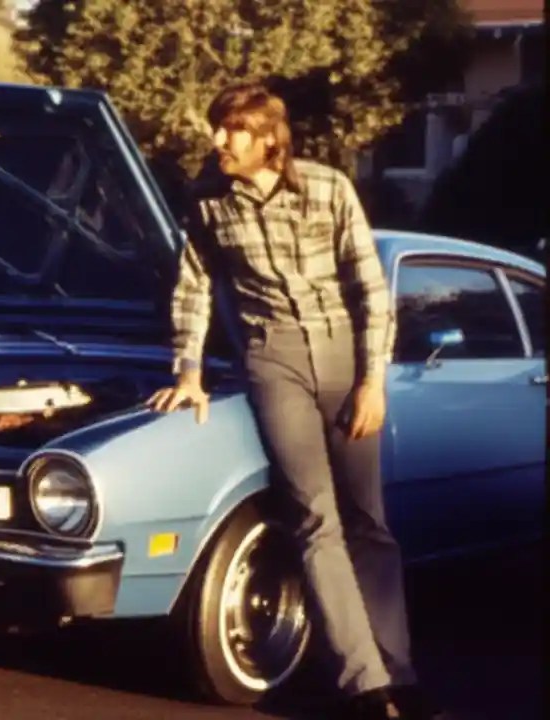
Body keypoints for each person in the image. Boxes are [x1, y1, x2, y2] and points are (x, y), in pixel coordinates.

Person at [145, 82, 437, 720]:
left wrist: (371, 382)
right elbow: (193, 287)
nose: (218, 140)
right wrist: (187, 369)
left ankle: (400, 672)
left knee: (369, 522)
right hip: (271, 359)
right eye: (217, 128)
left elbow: (368, 286)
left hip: (342, 356)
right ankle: (365, 686)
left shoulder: (330, 187)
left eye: (232, 130)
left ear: (270, 138)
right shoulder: (206, 199)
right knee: (314, 519)